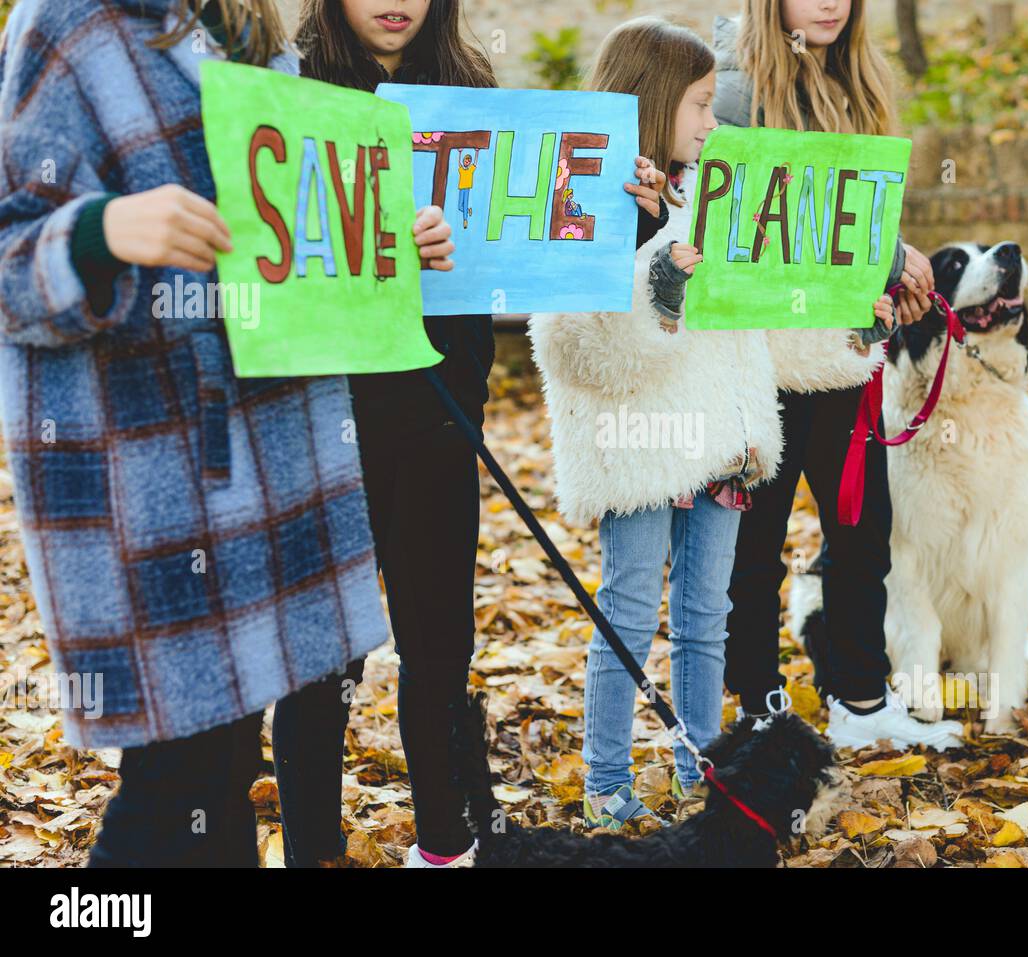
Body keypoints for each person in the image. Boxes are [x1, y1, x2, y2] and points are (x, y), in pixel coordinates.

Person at [0, 0, 421, 866]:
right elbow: (13, 252)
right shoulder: (69, 23)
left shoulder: (257, 36)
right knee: (172, 786)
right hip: (151, 475)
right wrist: (102, 229)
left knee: (223, 772)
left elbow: (291, 246)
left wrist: (381, 243)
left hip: (279, 467)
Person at [273, 0, 668, 867]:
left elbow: (536, 243)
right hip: (320, 423)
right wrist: (374, 245)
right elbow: (261, 259)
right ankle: (314, 851)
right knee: (323, 658)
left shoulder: (468, 88)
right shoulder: (289, 85)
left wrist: (631, 218)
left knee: (440, 642)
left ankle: (446, 844)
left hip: (438, 417)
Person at [529, 17, 785, 829]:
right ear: (654, 98)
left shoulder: (701, 197)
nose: (714, 123)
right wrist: (648, 254)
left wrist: (861, 330)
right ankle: (606, 780)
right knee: (630, 606)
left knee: (708, 613)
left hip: (719, 443)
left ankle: (698, 766)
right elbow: (577, 344)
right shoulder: (590, 199)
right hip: (642, 442)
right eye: (701, 105)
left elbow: (754, 323)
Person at [714, 0, 964, 751]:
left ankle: (859, 698)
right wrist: (891, 256)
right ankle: (757, 705)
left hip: (845, 355)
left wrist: (890, 273)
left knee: (862, 532)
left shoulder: (854, 79)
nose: (829, 3)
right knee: (751, 548)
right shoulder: (734, 88)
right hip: (759, 362)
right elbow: (766, 218)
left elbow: (855, 220)